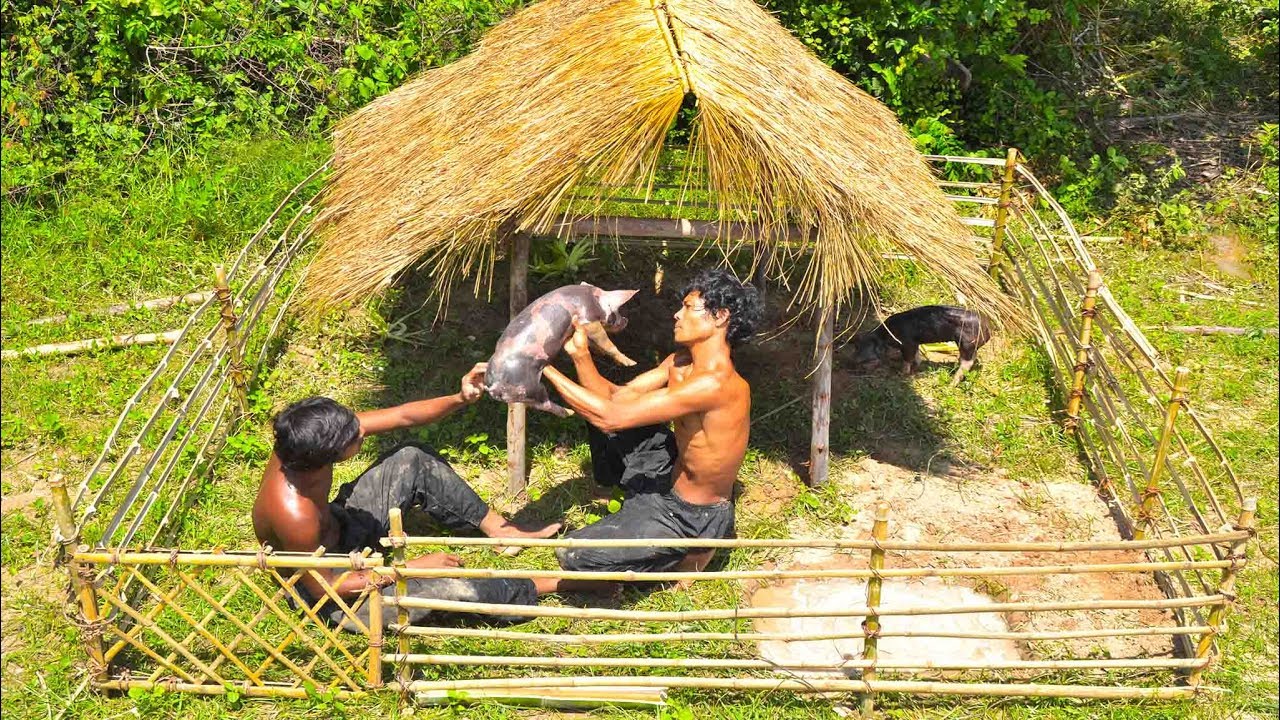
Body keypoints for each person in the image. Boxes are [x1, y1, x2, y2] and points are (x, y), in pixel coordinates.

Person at [251, 363, 560, 629]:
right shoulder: (295, 516)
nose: (362, 433)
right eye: (354, 437)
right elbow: (325, 588)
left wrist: (460, 398)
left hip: (339, 528)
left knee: (411, 458)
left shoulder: (303, 441)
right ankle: (544, 585)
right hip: (334, 591)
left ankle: (502, 532)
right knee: (443, 588)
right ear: (327, 454)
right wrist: (411, 568)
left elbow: (402, 416)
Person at [541, 268, 763, 582]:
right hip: (667, 478)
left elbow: (609, 415)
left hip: (691, 516)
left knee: (574, 554)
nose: (676, 315)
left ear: (720, 317)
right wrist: (580, 356)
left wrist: (541, 366)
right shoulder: (680, 361)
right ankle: (636, 514)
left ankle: (687, 555)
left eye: (687, 307)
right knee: (609, 419)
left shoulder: (717, 385)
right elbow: (617, 399)